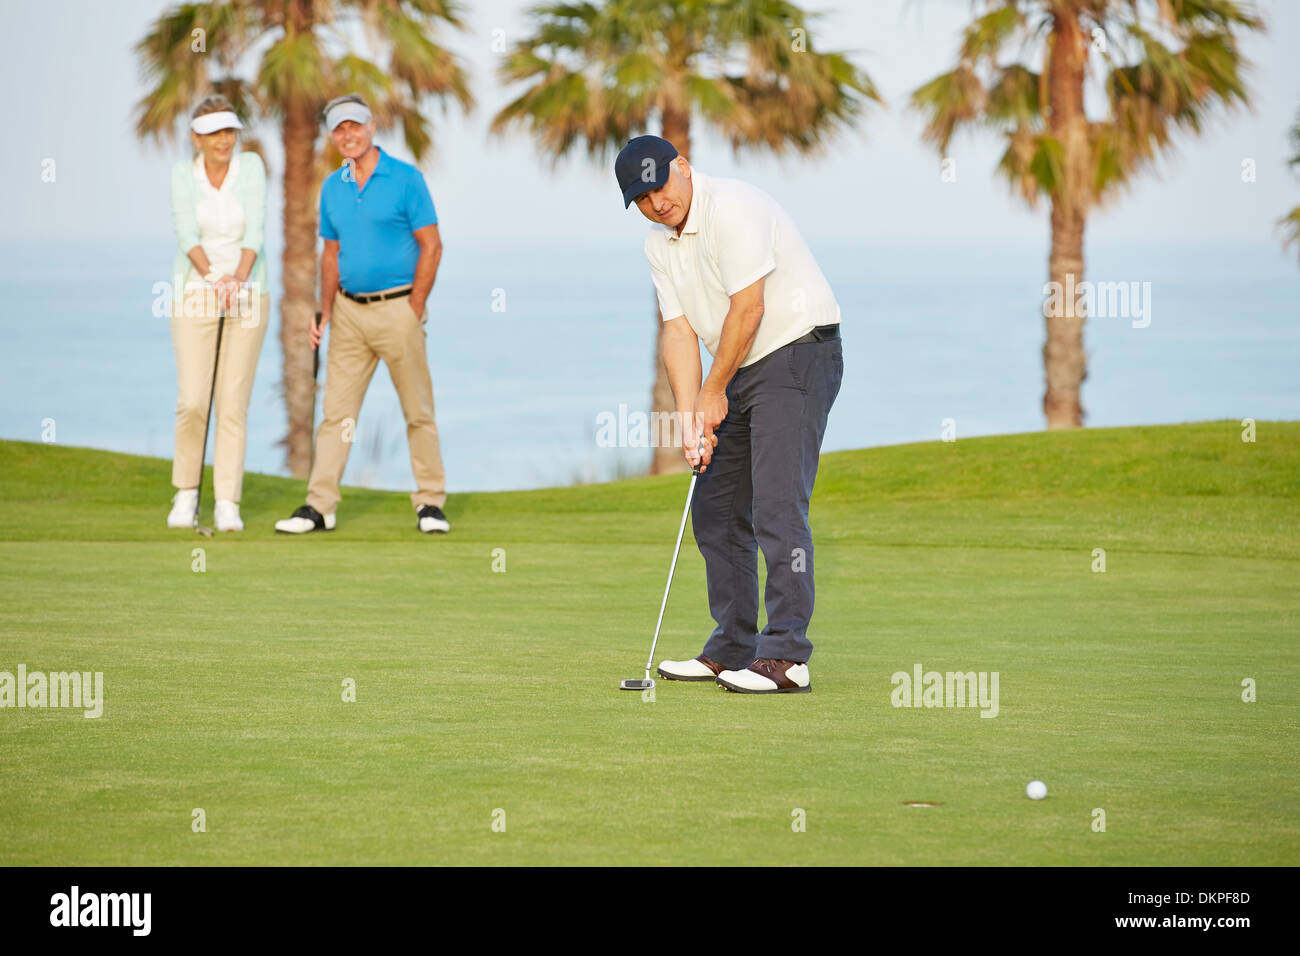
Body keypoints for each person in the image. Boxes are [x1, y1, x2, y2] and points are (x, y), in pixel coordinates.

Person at [616, 135, 844, 694]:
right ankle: (734, 646)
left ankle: (786, 657)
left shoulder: (735, 208)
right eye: (642, 198)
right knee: (715, 510)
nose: (656, 202)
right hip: (739, 364)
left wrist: (713, 392)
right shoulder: (658, 245)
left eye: (660, 185)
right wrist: (693, 413)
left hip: (797, 353)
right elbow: (678, 330)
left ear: (684, 168)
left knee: (776, 505)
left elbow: (750, 308)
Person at [275, 94, 450, 535]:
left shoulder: (406, 179)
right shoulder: (332, 187)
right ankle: (320, 506)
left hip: (398, 310)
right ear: (332, 136)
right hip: (349, 314)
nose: (347, 135)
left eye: (354, 125)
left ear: (371, 127)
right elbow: (330, 254)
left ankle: (429, 503)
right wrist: (325, 311)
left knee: (417, 411)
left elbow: (432, 246)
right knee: (337, 415)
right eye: (339, 129)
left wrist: (414, 307)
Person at [166, 95, 269, 533]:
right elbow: (186, 233)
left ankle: (227, 501)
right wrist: (214, 278)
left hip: (248, 291)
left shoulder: (252, 168)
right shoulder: (181, 175)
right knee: (193, 401)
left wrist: (237, 281)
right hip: (195, 291)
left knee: (232, 402)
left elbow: (257, 231)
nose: (223, 140)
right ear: (196, 137)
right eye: (213, 132)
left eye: (229, 130)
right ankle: (187, 493)